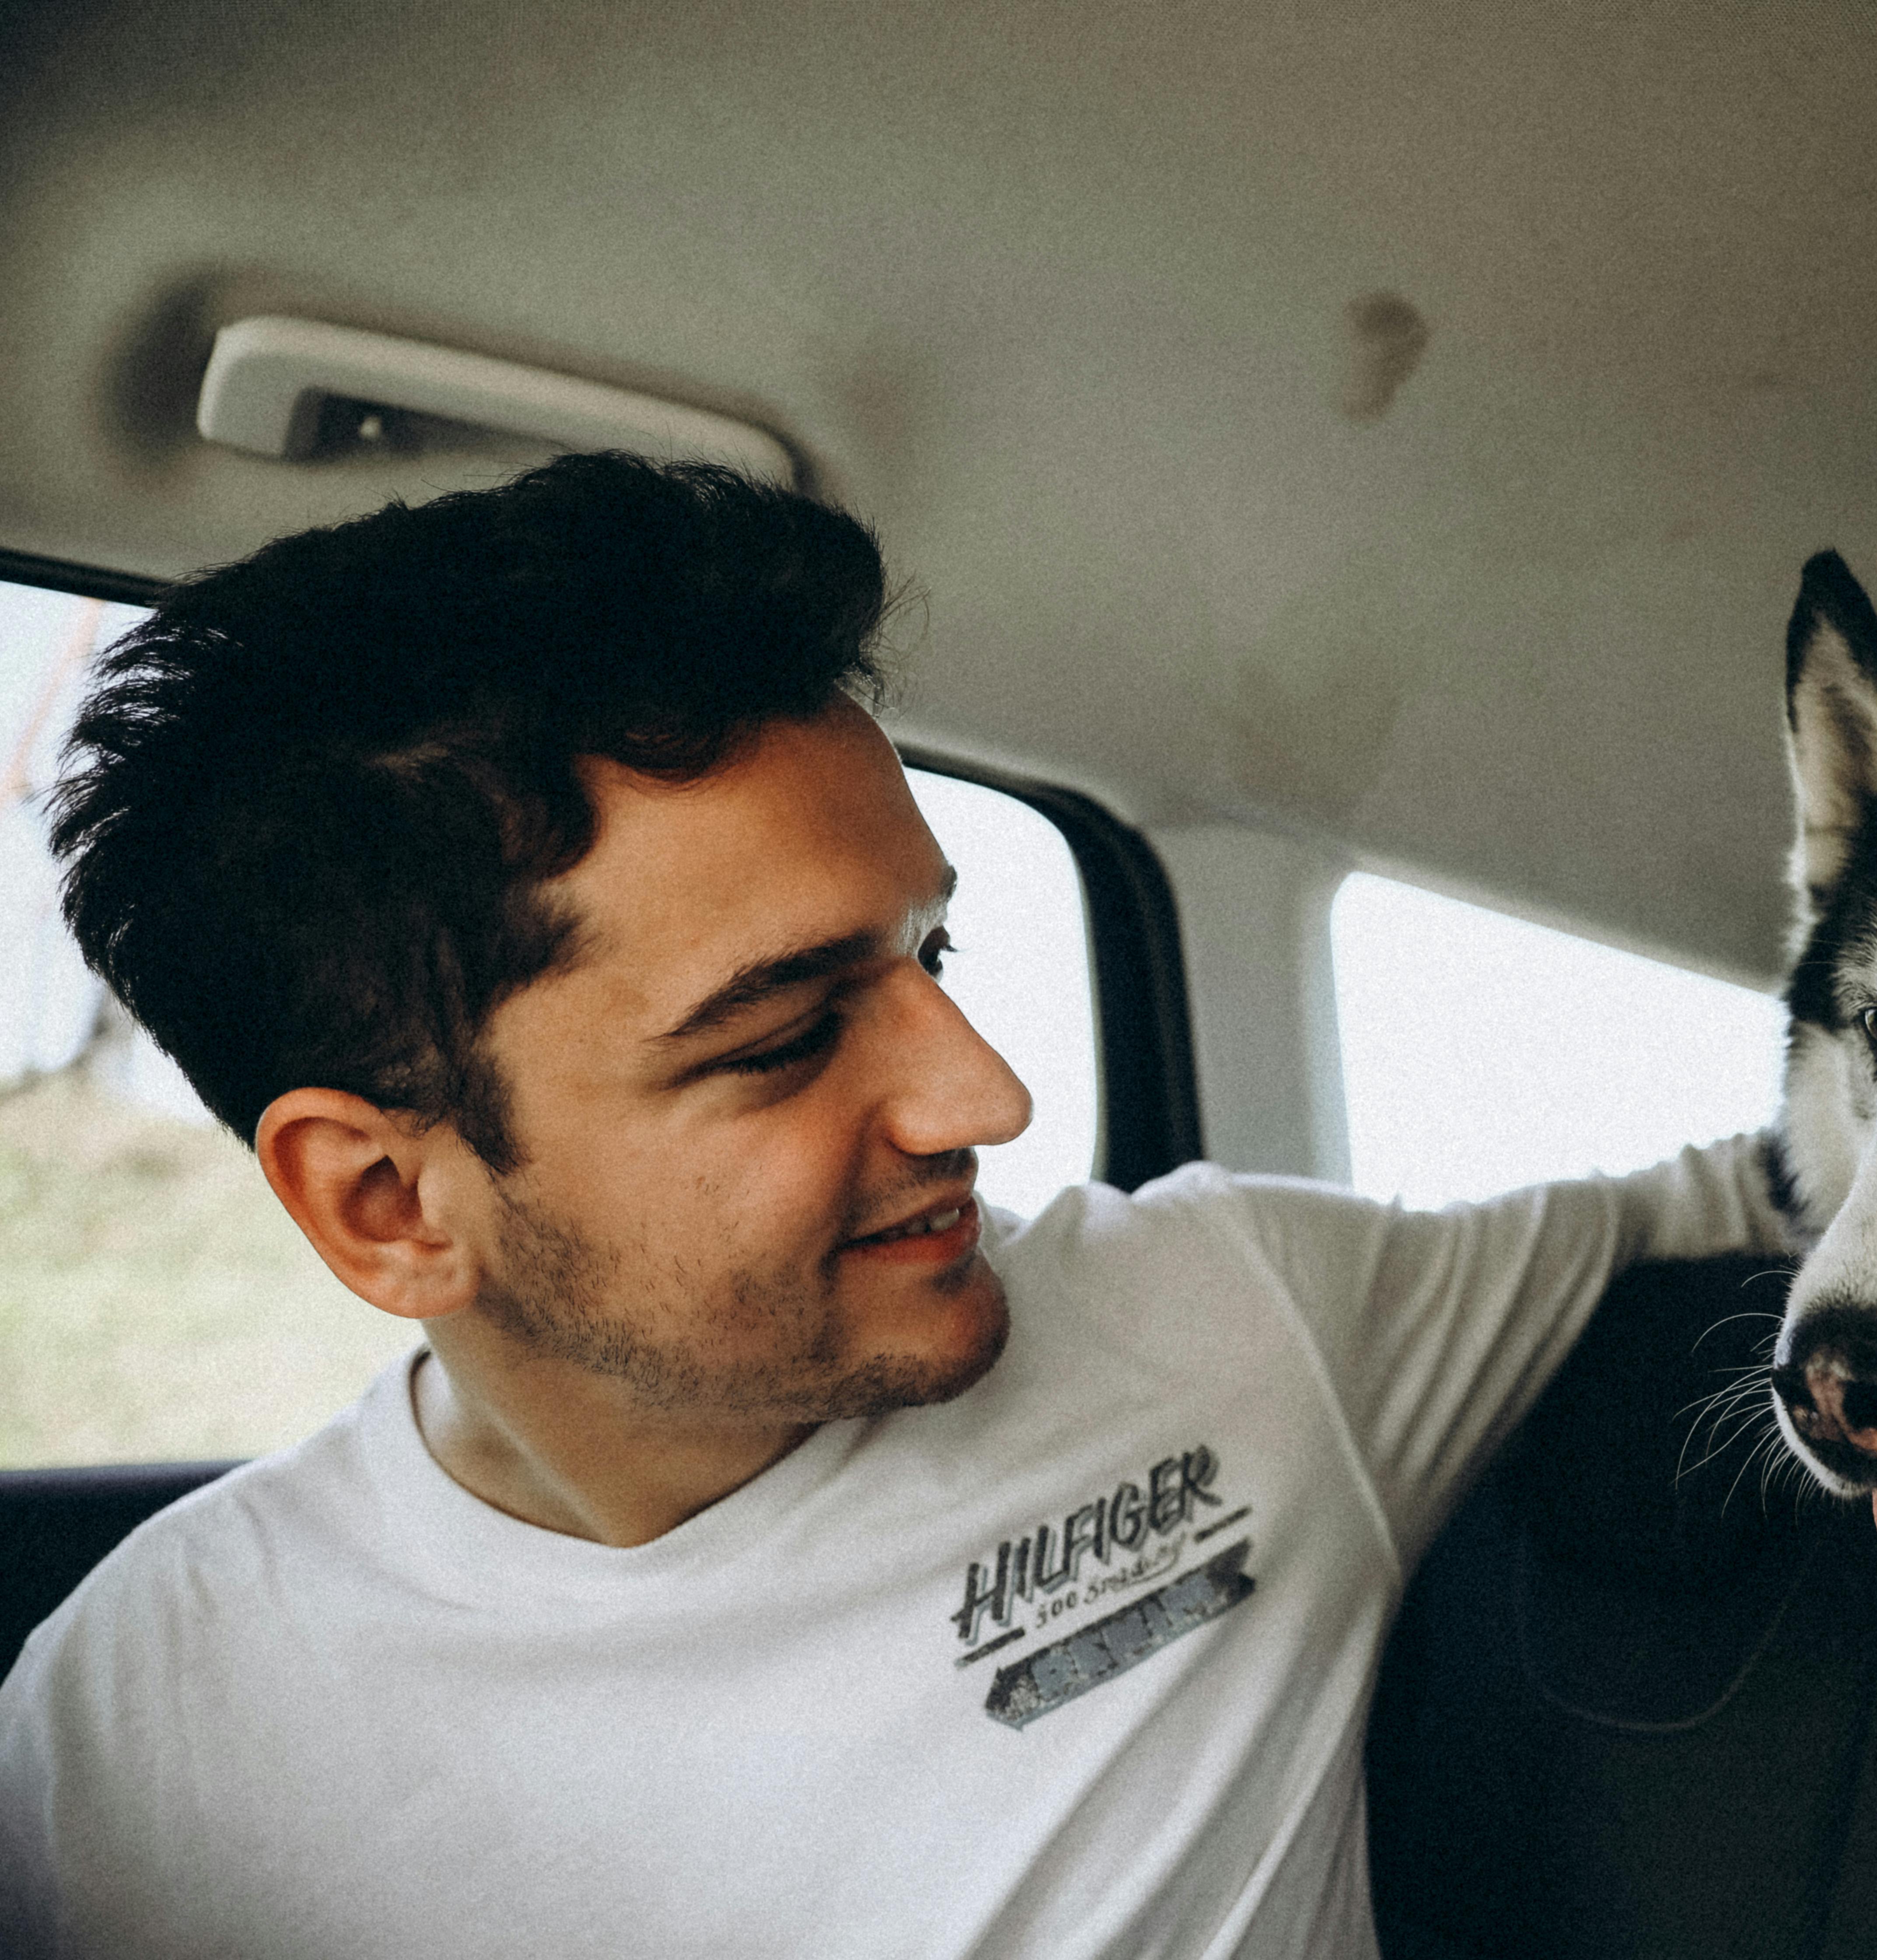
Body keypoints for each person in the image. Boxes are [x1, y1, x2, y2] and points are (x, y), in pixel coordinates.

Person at [0, 455, 1786, 1958]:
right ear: (388, 1201)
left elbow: (1813, 1200)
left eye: (936, 953)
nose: (987, 1098)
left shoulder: (1244, 1321)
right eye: (782, 1036)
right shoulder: (126, 1745)